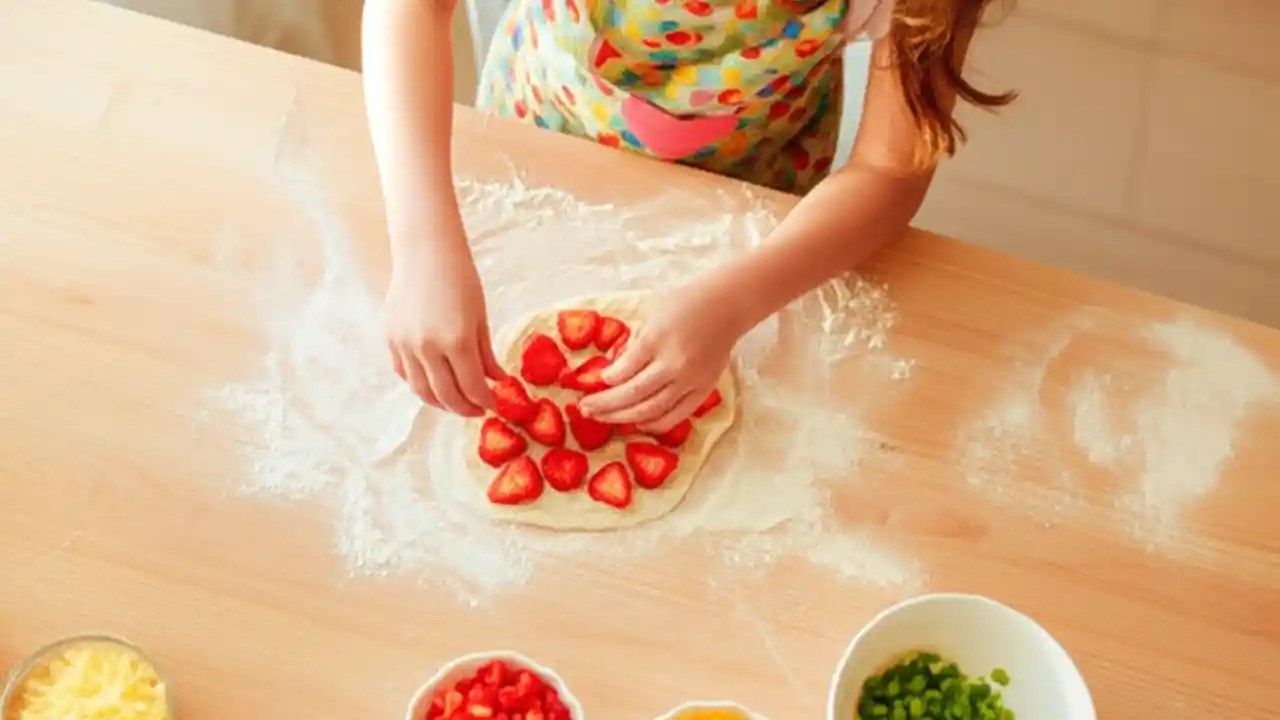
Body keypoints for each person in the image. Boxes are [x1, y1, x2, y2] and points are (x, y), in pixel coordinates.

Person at [362, 0, 1012, 431]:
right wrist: (422, 246)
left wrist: (735, 300)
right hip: (537, 138)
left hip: (746, 206)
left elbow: (891, 169)